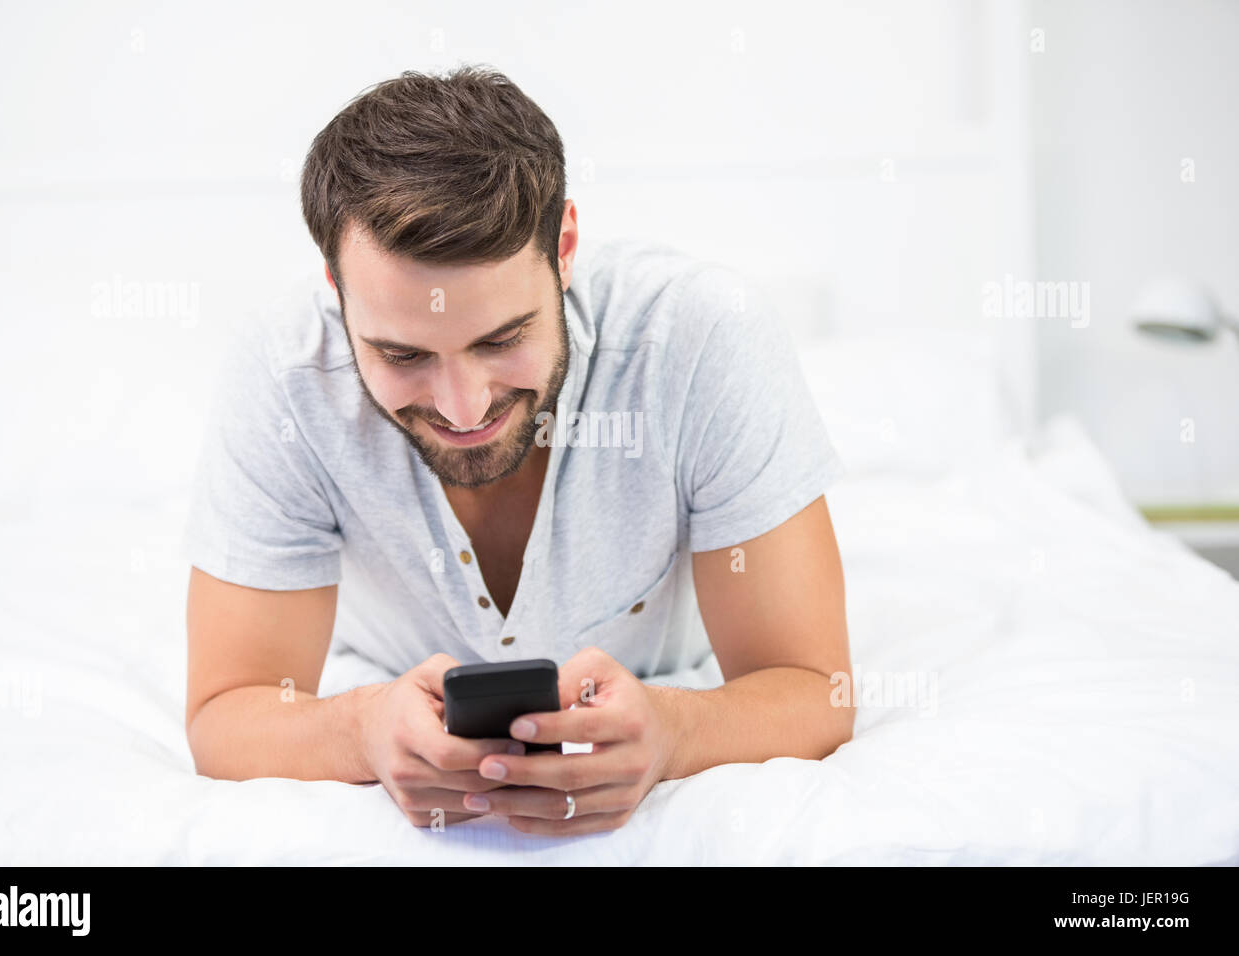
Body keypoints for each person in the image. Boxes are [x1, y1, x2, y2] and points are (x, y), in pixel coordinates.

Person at [182, 64, 852, 836]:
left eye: (502, 340)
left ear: (564, 247)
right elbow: (225, 715)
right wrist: (359, 728)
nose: (462, 408)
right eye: (403, 356)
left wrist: (677, 732)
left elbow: (812, 691)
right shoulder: (282, 375)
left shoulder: (705, 337)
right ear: (336, 287)